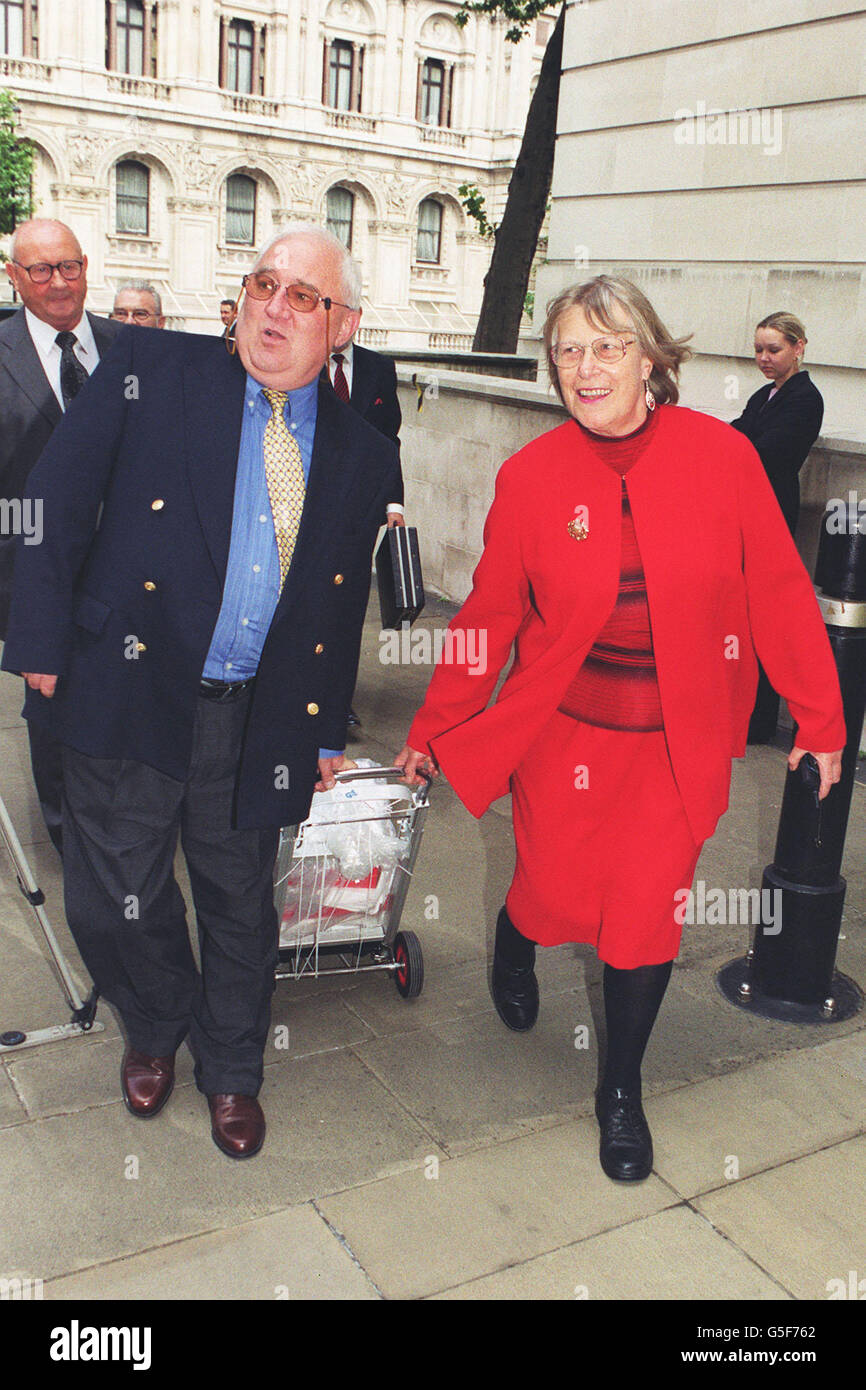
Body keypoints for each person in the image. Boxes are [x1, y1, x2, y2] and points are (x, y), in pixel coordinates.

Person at [396, 275, 844, 1185]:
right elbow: (490, 616)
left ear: (650, 359)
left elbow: (779, 593)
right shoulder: (532, 477)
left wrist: (821, 718)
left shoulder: (722, 459)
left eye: (606, 346)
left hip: (673, 748)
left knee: (644, 919)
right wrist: (432, 726)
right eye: (568, 349)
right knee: (551, 888)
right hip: (564, 740)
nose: (585, 366)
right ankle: (517, 936)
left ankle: (621, 1091)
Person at [1, 224, 402, 1160]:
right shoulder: (154, 368)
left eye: (303, 297)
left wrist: (323, 727)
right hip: (127, 685)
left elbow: (341, 604)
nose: (273, 306)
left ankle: (231, 1070)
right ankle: (154, 1020)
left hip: (256, 712)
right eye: (264, 283)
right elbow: (52, 498)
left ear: (340, 325)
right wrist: (40, 646)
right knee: (110, 901)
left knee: (238, 906)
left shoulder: (358, 450)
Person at [0, 218, 120, 855]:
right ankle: (72, 843)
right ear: (15, 277)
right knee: (52, 716)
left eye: (68, 266)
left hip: (132, 582)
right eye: (40, 270)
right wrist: (35, 536)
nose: (57, 283)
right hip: (37, 585)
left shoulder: (130, 348)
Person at [731, 312, 824, 742]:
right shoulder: (763, 396)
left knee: (764, 617)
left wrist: (733, 446)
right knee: (739, 613)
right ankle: (741, 711)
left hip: (772, 514)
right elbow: (736, 438)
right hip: (746, 510)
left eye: (774, 349)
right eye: (758, 350)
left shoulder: (806, 399)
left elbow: (765, 451)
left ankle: (759, 719)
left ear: (798, 347)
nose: (764, 358)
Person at [324, 321, 405, 728]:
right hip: (307, 508)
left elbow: (389, 440)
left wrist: (394, 503)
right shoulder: (302, 358)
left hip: (361, 511)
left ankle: (338, 701)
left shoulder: (379, 369)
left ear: (355, 319)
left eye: (344, 315)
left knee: (348, 606)